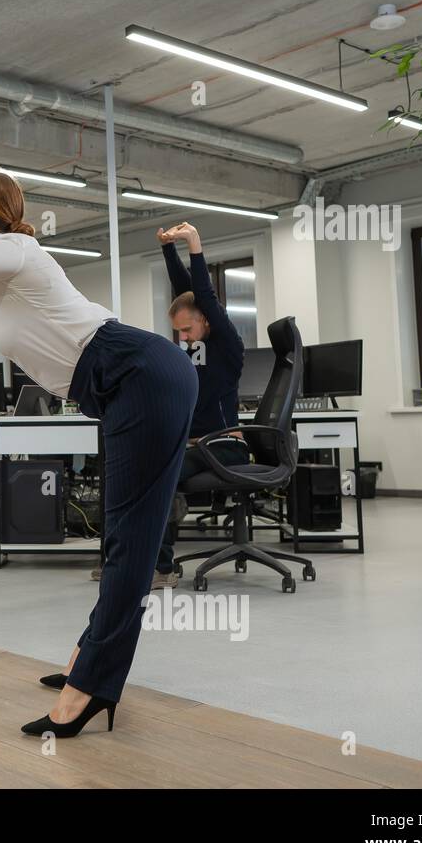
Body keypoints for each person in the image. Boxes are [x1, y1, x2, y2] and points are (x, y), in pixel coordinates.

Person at [0, 168, 196, 738]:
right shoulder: (2, 271)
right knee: (120, 533)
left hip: (140, 375)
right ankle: (88, 661)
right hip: (127, 382)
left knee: (130, 539)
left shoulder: (15, 249)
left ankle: (92, 688)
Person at [151, 223, 247, 589]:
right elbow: (186, 293)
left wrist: (194, 244)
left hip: (224, 446)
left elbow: (202, 296)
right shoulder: (196, 348)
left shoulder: (227, 346)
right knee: (143, 465)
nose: (183, 339)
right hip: (198, 445)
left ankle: (162, 567)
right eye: (178, 333)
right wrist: (166, 250)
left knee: (162, 474)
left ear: (208, 321)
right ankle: (129, 559)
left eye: (188, 331)